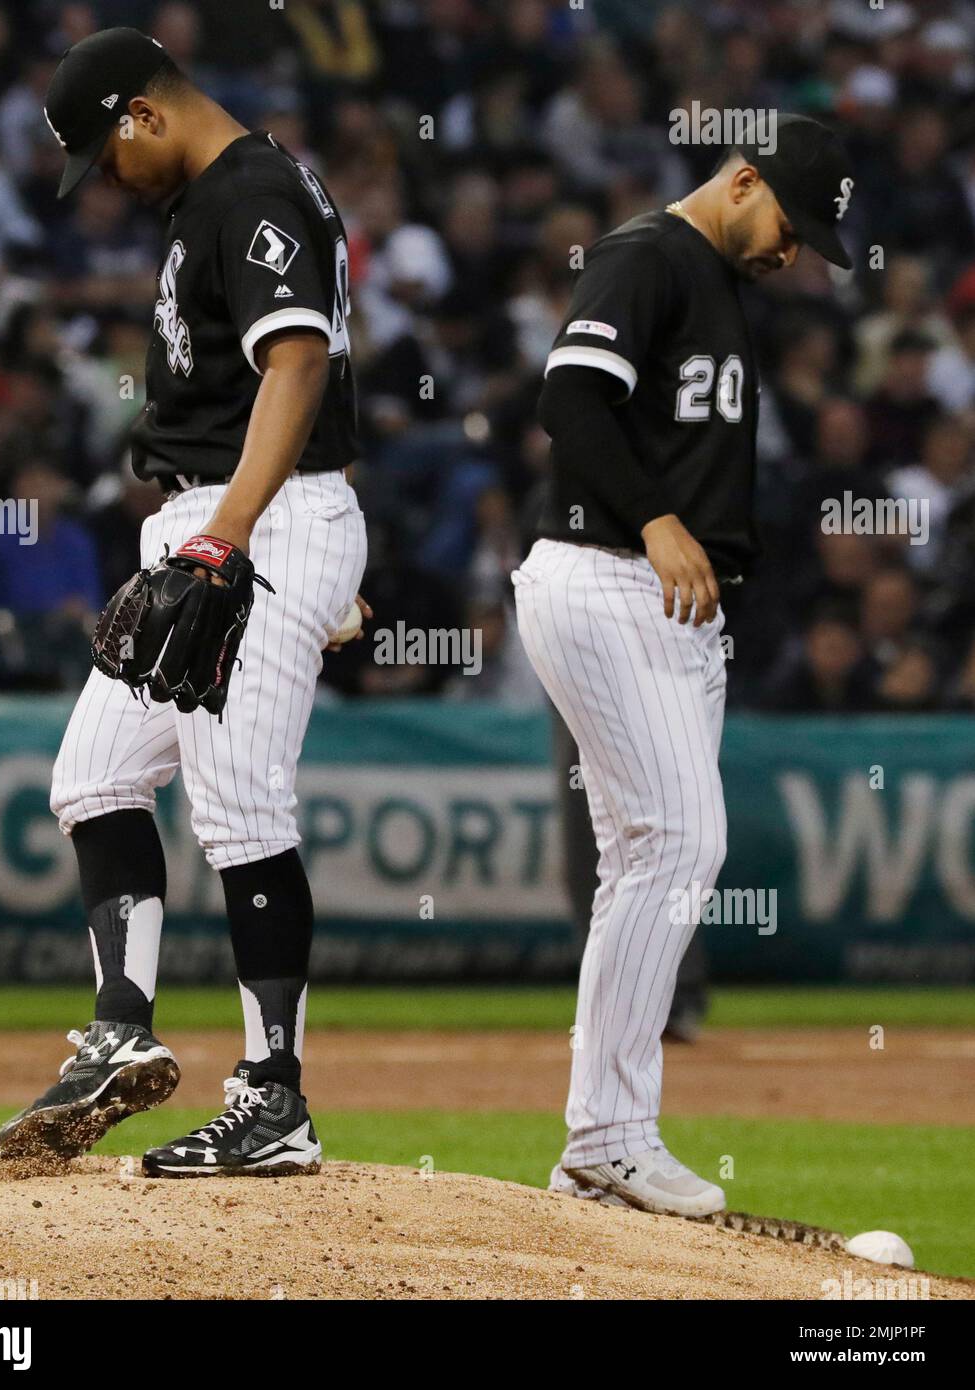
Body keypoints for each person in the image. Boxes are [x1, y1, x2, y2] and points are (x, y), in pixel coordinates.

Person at [0, 28, 368, 1177]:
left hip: (253, 519)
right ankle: (122, 1029)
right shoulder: (226, 188)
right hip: (221, 516)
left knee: (242, 810)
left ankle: (274, 1100)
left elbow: (298, 361)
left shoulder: (247, 188)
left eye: (104, 153)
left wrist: (237, 538)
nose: (105, 180)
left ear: (143, 114)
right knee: (94, 777)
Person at [513, 115, 854, 1216]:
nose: (791, 254)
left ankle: (599, 1146)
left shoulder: (714, 282)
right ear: (742, 178)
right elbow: (570, 394)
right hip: (609, 571)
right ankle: (611, 1134)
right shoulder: (649, 254)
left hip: (668, 601)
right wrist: (658, 517)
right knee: (682, 837)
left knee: (643, 858)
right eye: (791, 228)